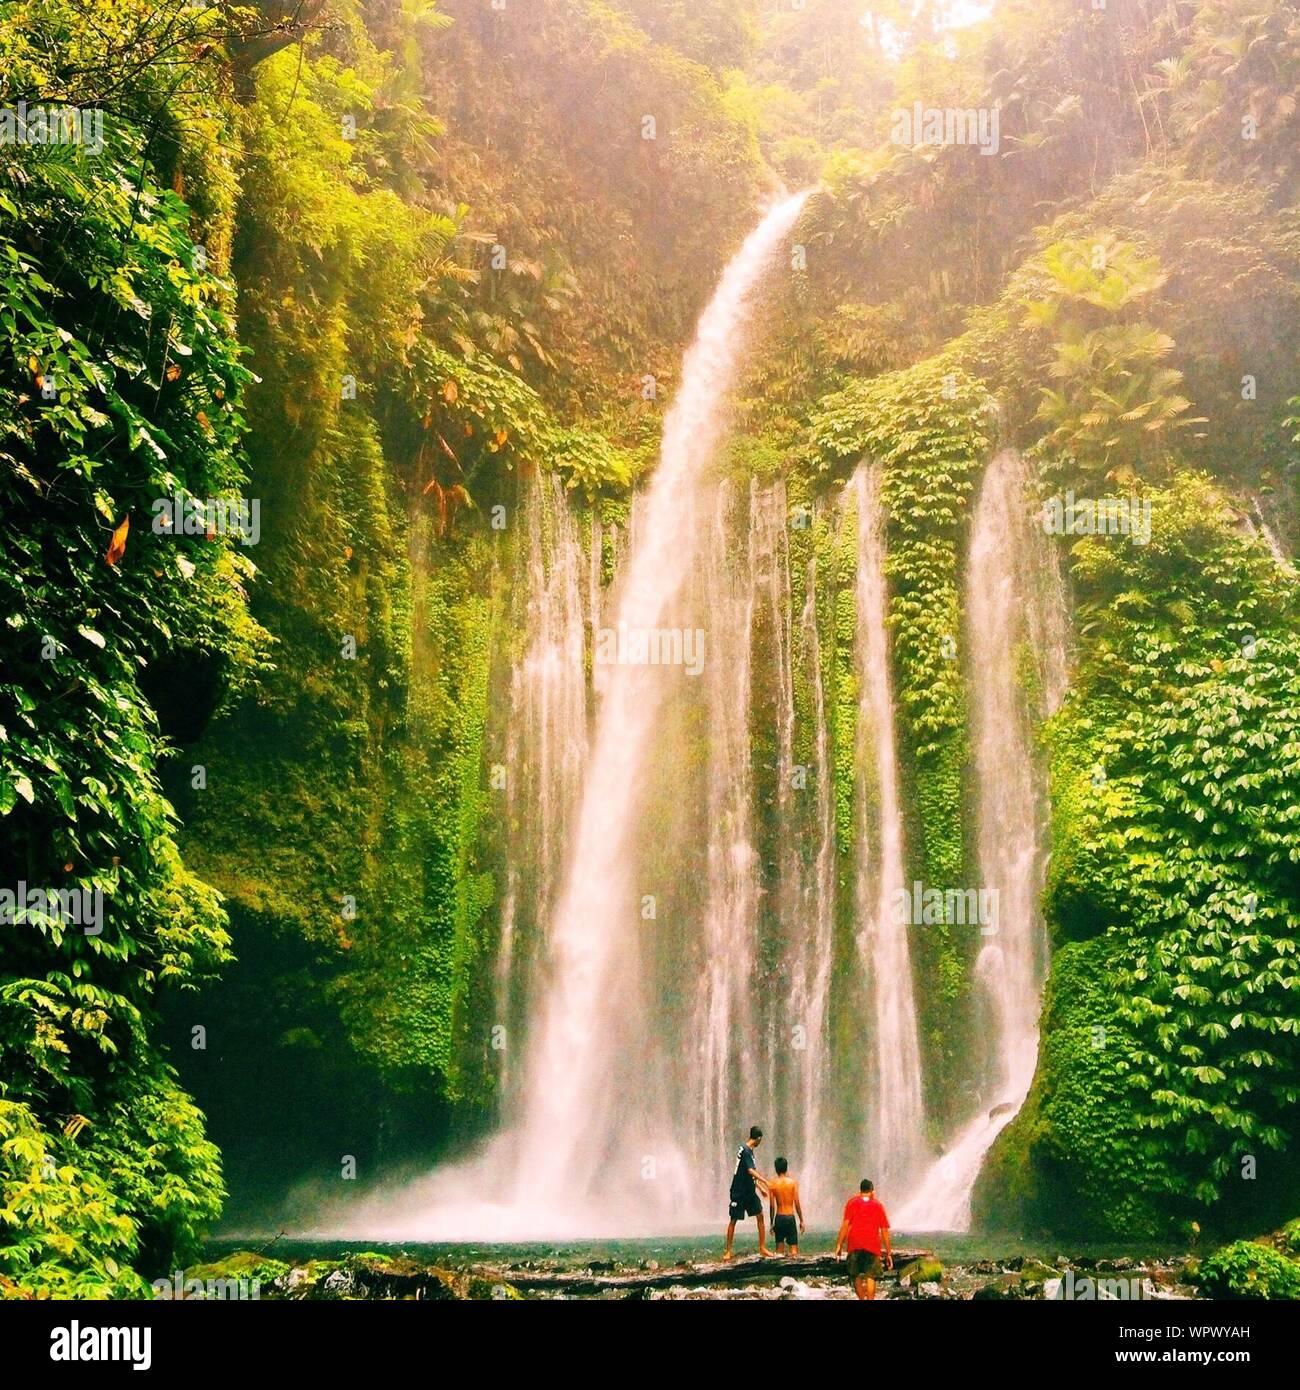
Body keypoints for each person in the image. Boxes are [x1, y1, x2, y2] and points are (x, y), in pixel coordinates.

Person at [834, 1178, 893, 1299]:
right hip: (872, 1244)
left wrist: (839, 1245)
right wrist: (888, 1253)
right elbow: (884, 1231)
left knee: (855, 1274)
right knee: (871, 1275)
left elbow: (845, 1225)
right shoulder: (878, 1205)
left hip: (854, 1244)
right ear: (872, 1191)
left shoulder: (851, 1203)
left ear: (860, 1191)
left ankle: (862, 1298)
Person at [723, 1125, 772, 1260]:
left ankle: (762, 1247)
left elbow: (748, 1174)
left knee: (760, 1215)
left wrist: (760, 1187)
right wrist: (765, 1182)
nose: (760, 1143)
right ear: (758, 1138)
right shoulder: (745, 1151)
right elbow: (750, 1171)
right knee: (733, 1220)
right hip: (739, 1191)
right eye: (760, 1140)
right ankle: (728, 1251)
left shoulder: (748, 1150)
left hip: (749, 1190)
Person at [767, 1156, 805, 1256]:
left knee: (779, 1250)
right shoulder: (792, 1183)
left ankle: (780, 1270)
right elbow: (797, 1203)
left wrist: (771, 1223)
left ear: (776, 1169)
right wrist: (801, 1220)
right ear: (786, 1168)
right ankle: (794, 1270)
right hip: (790, 1217)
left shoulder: (772, 1184)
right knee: (794, 1251)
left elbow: (772, 1206)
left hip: (779, 1218)